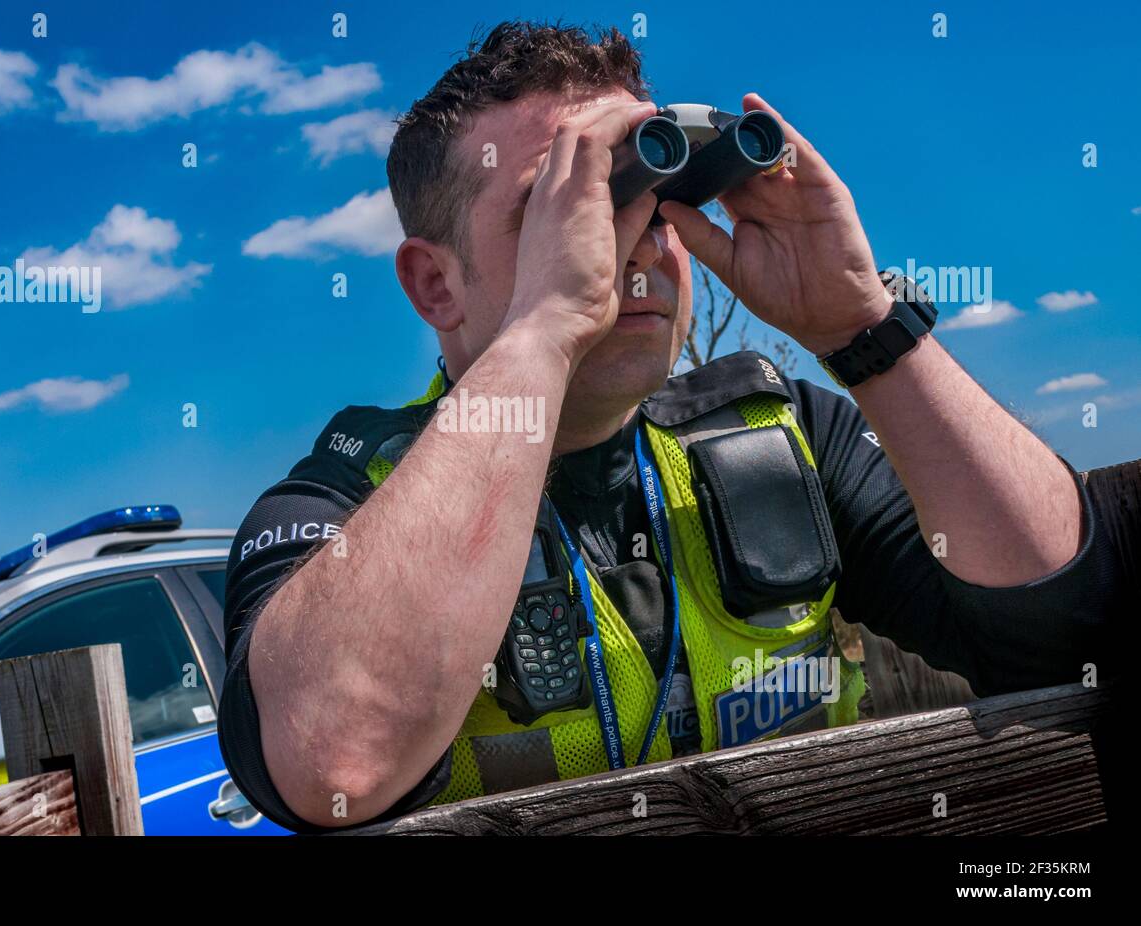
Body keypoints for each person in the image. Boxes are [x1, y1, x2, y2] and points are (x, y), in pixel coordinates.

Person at [217, 22, 1114, 832]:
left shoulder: (782, 437)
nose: (636, 238)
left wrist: (862, 327)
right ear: (435, 286)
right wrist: (542, 331)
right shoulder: (344, 501)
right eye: (565, 205)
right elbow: (332, 761)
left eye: (655, 191)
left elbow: (1065, 620)